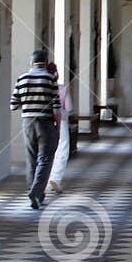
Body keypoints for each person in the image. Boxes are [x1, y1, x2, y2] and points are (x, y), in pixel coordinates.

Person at [10, 49, 62, 210]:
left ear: (31, 63)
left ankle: (36, 193)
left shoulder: (22, 78)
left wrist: (28, 102)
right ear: (46, 63)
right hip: (46, 123)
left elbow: (13, 105)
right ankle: (36, 191)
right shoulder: (50, 79)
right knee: (45, 159)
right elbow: (56, 107)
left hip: (28, 123)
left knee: (31, 159)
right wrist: (58, 127)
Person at [47, 61, 73, 195]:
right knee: (62, 149)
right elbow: (68, 108)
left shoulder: (42, 89)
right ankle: (55, 178)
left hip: (45, 122)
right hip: (61, 121)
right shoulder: (63, 89)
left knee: (45, 151)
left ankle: (44, 179)